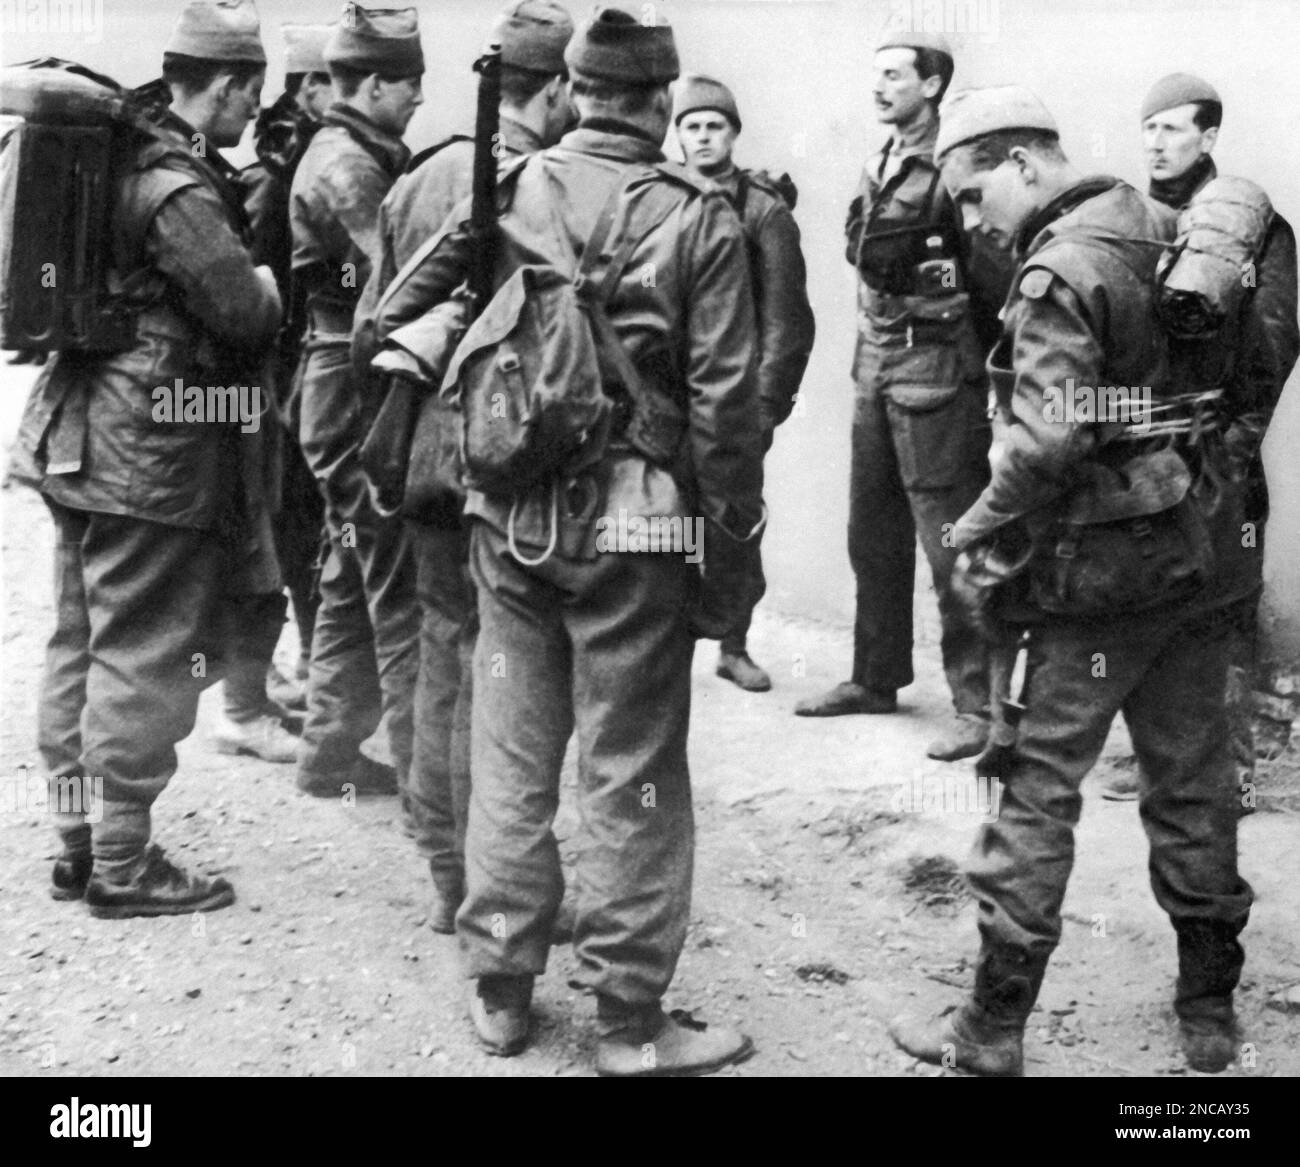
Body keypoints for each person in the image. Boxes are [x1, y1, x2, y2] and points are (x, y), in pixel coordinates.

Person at [374, 5, 763, 1076]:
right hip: (640, 528)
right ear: (660, 100)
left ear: (579, 92)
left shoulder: (511, 188)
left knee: (508, 747)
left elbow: (410, 321)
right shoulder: (700, 218)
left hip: (512, 518)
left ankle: (501, 991)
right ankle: (630, 1021)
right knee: (632, 767)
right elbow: (728, 410)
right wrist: (733, 542)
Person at [889, 86, 1255, 1076]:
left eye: (972, 196)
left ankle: (990, 1031)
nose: (971, 221)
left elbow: (1048, 437)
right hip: (1193, 561)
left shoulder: (1059, 269)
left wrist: (970, 529)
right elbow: (1252, 366)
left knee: (1035, 791)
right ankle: (1207, 1018)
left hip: (1090, 583)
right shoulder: (1169, 228)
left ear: (1022, 165)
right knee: (1192, 785)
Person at [13, 0, 280, 915]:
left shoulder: (113, 158)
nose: (254, 112)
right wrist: (272, 286)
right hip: (149, 452)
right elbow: (240, 312)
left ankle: (79, 842)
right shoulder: (176, 184)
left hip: (76, 437)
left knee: (79, 646)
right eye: (252, 93)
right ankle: (123, 867)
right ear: (230, 84)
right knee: (143, 652)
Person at [353, 0, 575, 934]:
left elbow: (373, 316)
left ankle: (449, 874)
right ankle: (488, 886)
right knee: (496, 675)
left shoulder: (418, 171)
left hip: (415, 445)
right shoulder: (534, 183)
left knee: (442, 651)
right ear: (559, 88)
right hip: (487, 452)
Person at [794, 30, 994, 764]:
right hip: (874, 363)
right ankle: (875, 677)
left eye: (893, 76)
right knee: (870, 530)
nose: (878, 88)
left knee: (952, 541)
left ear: (932, 85)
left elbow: (985, 268)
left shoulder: (955, 162)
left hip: (936, 367)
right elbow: (865, 246)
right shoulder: (881, 157)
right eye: (873, 75)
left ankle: (980, 706)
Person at [1101, 73, 1299, 804]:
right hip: (1149, 455)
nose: (1156, 143)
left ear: (1208, 138)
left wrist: (1228, 458)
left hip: (1220, 454)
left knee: (1223, 608)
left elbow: (1271, 352)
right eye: (1148, 128)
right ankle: (1164, 764)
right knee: (1152, 599)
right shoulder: (1137, 218)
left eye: (1173, 129)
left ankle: (1230, 775)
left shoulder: (1251, 227)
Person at [289, 2, 424, 800]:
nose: (415, 100)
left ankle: (328, 751)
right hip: (352, 378)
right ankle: (426, 782)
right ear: (374, 83)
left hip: (340, 375)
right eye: (410, 85)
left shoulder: (353, 149)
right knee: (398, 580)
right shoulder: (348, 165)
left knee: (349, 562)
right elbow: (402, 281)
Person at [215, 23, 336, 765]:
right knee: (272, 541)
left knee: (296, 537)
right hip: (270, 393)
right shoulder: (270, 181)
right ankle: (243, 705)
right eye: (332, 82)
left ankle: (270, 684)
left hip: (287, 388)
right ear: (307, 91)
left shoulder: (295, 168)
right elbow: (253, 300)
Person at [674, 74, 815, 693]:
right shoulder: (665, 200)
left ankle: (735, 643)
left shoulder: (763, 211)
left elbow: (788, 321)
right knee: (663, 516)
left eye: (715, 126)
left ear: (733, 134)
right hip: (672, 391)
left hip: (734, 397)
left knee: (735, 519)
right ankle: (666, 645)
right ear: (677, 136)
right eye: (692, 126)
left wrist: (763, 408)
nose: (703, 137)